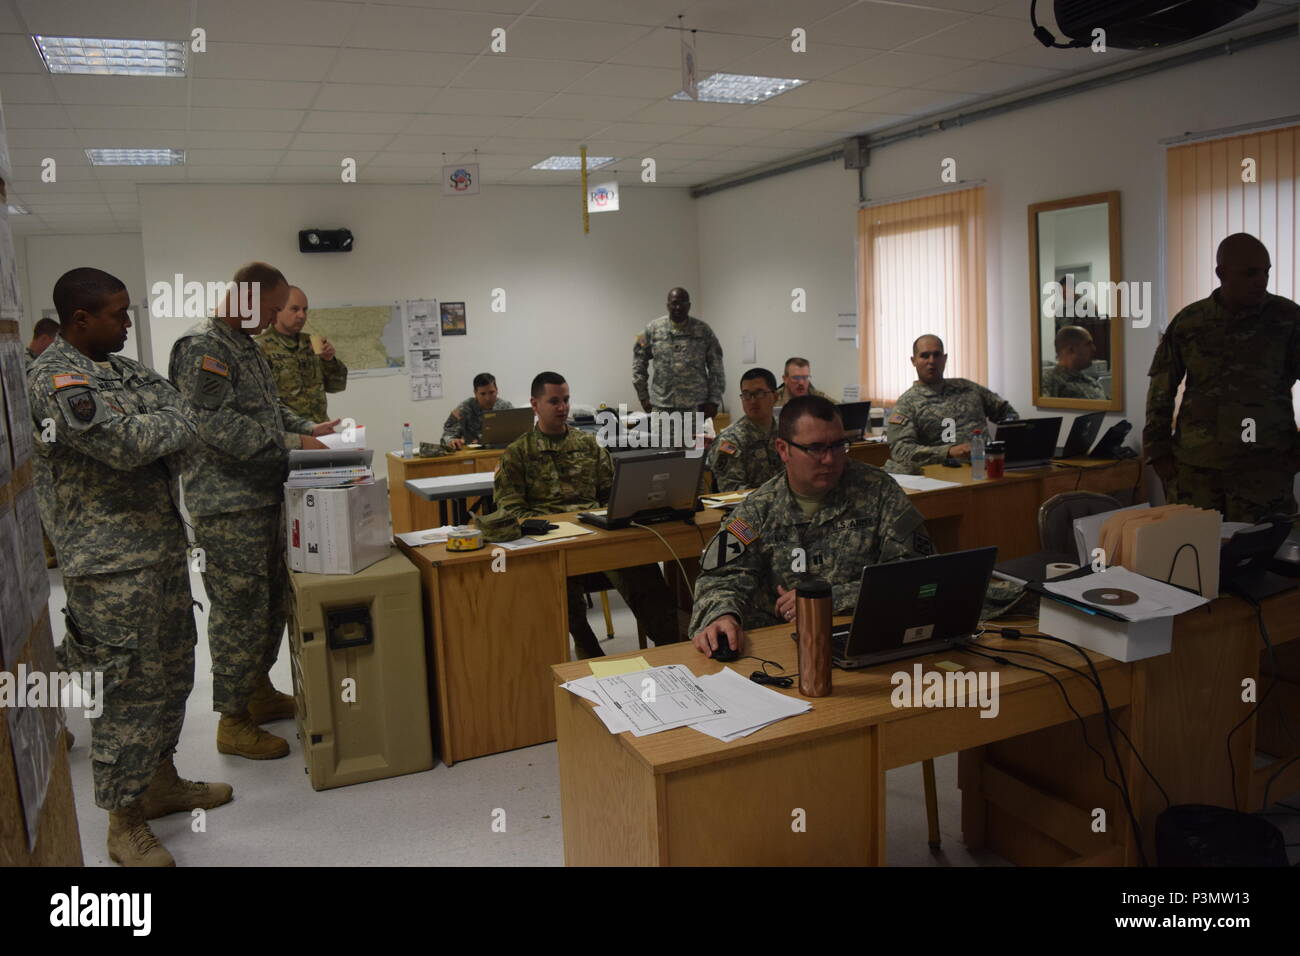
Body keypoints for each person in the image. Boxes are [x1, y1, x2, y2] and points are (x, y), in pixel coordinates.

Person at [28, 267, 231, 867]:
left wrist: (167, 424)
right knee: (127, 692)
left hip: (160, 549)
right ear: (80, 318)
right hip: (108, 567)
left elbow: (178, 410)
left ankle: (161, 781)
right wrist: (170, 426)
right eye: (117, 314)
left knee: (171, 674)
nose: (127, 323)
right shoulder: (55, 379)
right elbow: (125, 445)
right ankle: (124, 820)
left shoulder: (122, 369)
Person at [169, 262, 337, 760]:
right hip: (228, 505)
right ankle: (232, 719)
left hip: (265, 494)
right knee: (239, 611)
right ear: (244, 298)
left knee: (269, 605)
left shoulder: (244, 346)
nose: (271, 319)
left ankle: (257, 692)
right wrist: (296, 441)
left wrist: (313, 428)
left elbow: (268, 409)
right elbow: (215, 428)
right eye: (268, 309)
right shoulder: (203, 348)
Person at [690, 395, 934, 657]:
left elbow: (920, 573)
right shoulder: (758, 509)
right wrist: (722, 615)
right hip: (781, 649)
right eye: (816, 448)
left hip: (865, 638)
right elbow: (719, 578)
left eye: (838, 445)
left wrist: (830, 599)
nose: (829, 460)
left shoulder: (878, 491)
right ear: (783, 449)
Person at [494, 371, 681, 659]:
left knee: (643, 568)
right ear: (535, 405)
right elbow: (510, 509)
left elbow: (611, 495)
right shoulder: (518, 453)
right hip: (552, 543)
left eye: (566, 400)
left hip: (597, 538)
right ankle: (589, 655)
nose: (562, 407)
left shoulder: (589, 445)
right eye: (554, 401)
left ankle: (674, 647)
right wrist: (548, 527)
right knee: (557, 585)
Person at [1144, 232, 1300, 522]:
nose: (1261, 280)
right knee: (1193, 557)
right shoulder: (1191, 321)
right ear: (1221, 273)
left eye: (1266, 272)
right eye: (1250, 273)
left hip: (1265, 470)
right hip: (1197, 470)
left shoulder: (1288, 318)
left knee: (1262, 556)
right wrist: (1159, 452)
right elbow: (1161, 388)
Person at [885, 334, 1018, 473]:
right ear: (914, 361)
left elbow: (1008, 414)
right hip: (945, 476)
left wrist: (1002, 445)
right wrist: (948, 452)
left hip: (989, 469)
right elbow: (901, 451)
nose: (932, 361)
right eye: (925, 356)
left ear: (945, 358)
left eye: (937, 355)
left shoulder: (968, 388)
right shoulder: (907, 403)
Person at [256, 285, 347, 421]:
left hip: (320, 429)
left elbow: (337, 386)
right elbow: (258, 404)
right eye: (295, 309)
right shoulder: (259, 347)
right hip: (288, 436)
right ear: (277, 310)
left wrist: (329, 360)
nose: (302, 315)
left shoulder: (311, 342)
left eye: (305, 310)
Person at [632, 286, 724, 421]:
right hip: (662, 406)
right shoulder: (650, 329)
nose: (678, 307)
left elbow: (717, 367)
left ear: (689, 305)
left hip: (696, 407)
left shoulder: (704, 330)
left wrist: (714, 400)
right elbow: (638, 364)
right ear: (667, 305)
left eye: (683, 303)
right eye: (674, 303)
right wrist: (643, 398)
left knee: (695, 442)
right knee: (662, 443)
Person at [708, 367, 782, 492]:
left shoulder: (787, 431)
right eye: (746, 395)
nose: (752, 401)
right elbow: (732, 491)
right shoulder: (730, 441)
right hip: (748, 508)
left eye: (759, 393)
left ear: (775, 396)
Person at [441, 372, 514, 450]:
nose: (488, 398)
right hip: (472, 454)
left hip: (500, 452)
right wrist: (452, 441)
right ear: (475, 393)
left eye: (491, 392)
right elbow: (448, 434)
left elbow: (519, 433)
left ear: (497, 390)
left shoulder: (506, 407)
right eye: (483, 394)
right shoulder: (464, 408)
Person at [1041, 326, 1106, 400]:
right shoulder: (1049, 382)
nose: (1094, 349)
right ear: (1071, 350)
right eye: (1088, 344)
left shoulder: (1091, 381)